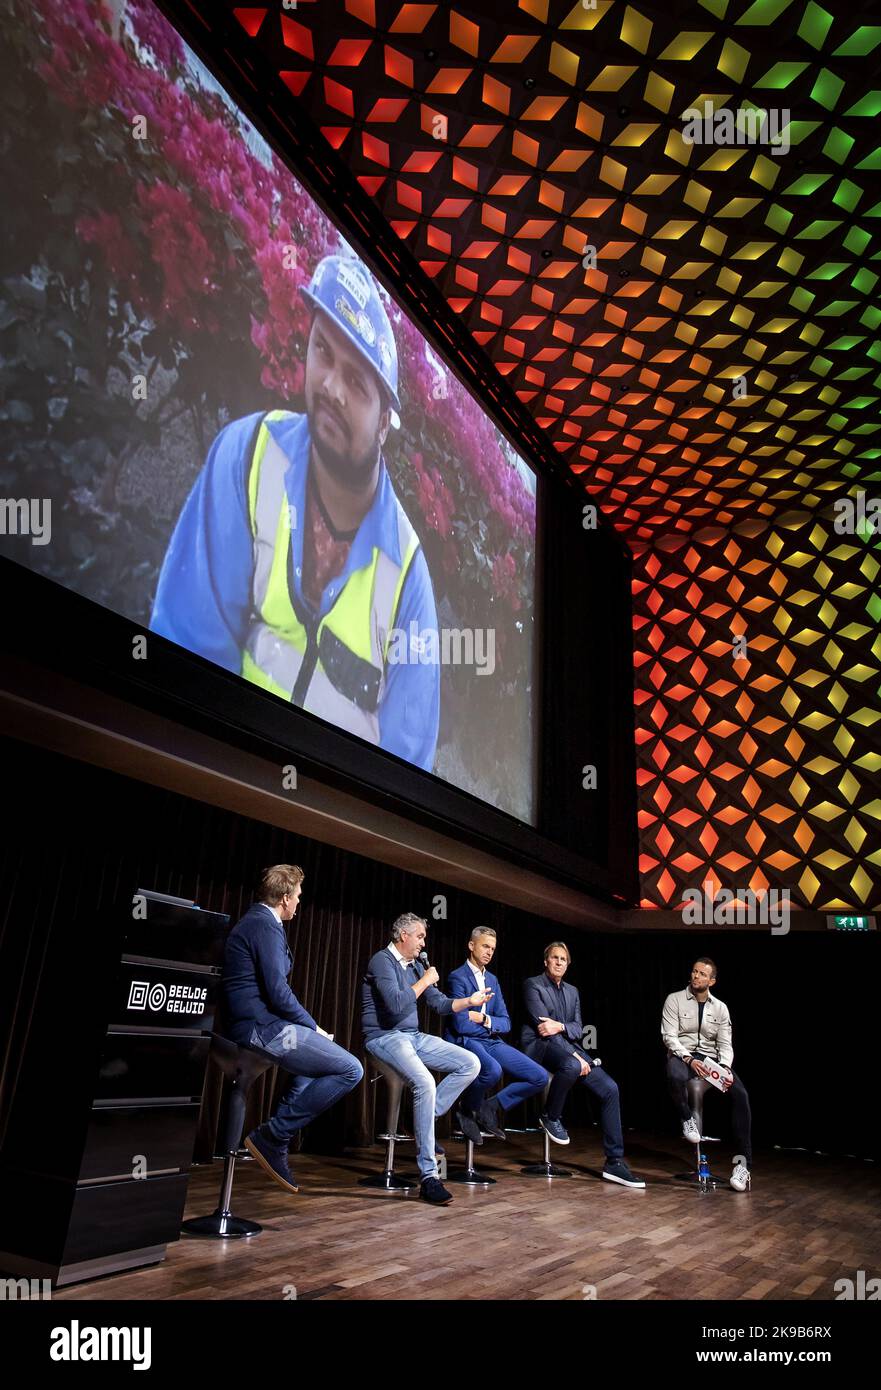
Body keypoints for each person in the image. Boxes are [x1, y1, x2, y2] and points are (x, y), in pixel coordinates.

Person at [151, 252, 439, 771]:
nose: (331, 386)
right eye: (323, 352)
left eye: (357, 382)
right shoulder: (248, 455)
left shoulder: (409, 580)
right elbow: (188, 656)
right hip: (219, 769)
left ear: (383, 425)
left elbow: (405, 774)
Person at [221, 864, 363, 1193]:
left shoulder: (261, 923)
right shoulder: (264, 925)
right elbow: (277, 991)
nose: (300, 903)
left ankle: (278, 1130)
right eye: (298, 897)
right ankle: (274, 1136)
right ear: (285, 898)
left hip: (263, 1024)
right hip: (259, 1028)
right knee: (350, 1069)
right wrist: (314, 1027)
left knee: (316, 1066)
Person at [361, 913, 492, 1205]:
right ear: (403, 936)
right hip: (384, 1037)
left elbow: (440, 1003)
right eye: (419, 937)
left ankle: (422, 1114)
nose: (423, 944)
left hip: (414, 1037)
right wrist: (424, 980)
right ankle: (429, 1178)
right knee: (424, 1082)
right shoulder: (382, 960)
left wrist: (469, 1002)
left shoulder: (415, 965)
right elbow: (395, 1005)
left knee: (470, 1063)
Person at [521, 942, 645, 1189]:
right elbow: (544, 1029)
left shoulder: (573, 991)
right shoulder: (533, 985)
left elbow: (578, 1028)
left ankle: (614, 1162)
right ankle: (550, 1115)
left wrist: (562, 1026)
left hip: (568, 1047)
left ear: (568, 964)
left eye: (563, 959)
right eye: (554, 958)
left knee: (610, 1088)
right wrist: (574, 1055)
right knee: (571, 1065)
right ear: (546, 961)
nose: (558, 962)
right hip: (540, 1047)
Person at [445, 927, 548, 1140]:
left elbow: (506, 1022)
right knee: (492, 1070)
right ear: (471, 946)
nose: (489, 952)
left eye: (492, 948)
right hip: (466, 1039)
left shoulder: (492, 980)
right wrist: (488, 1024)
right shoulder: (458, 977)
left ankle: (488, 1107)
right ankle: (466, 1109)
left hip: (490, 1039)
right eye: (485, 946)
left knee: (539, 1077)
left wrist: (484, 1019)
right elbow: (461, 1025)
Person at [661, 957, 752, 1191]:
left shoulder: (720, 1008)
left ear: (712, 980)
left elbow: (725, 1044)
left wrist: (724, 1068)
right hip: (682, 1054)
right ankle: (686, 1119)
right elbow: (669, 1037)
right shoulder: (675, 1000)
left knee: (741, 1095)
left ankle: (744, 1167)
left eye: (702, 974)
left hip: (710, 1059)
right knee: (674, 1076)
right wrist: (689, 1059)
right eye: (694, 972)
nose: (696, 976)